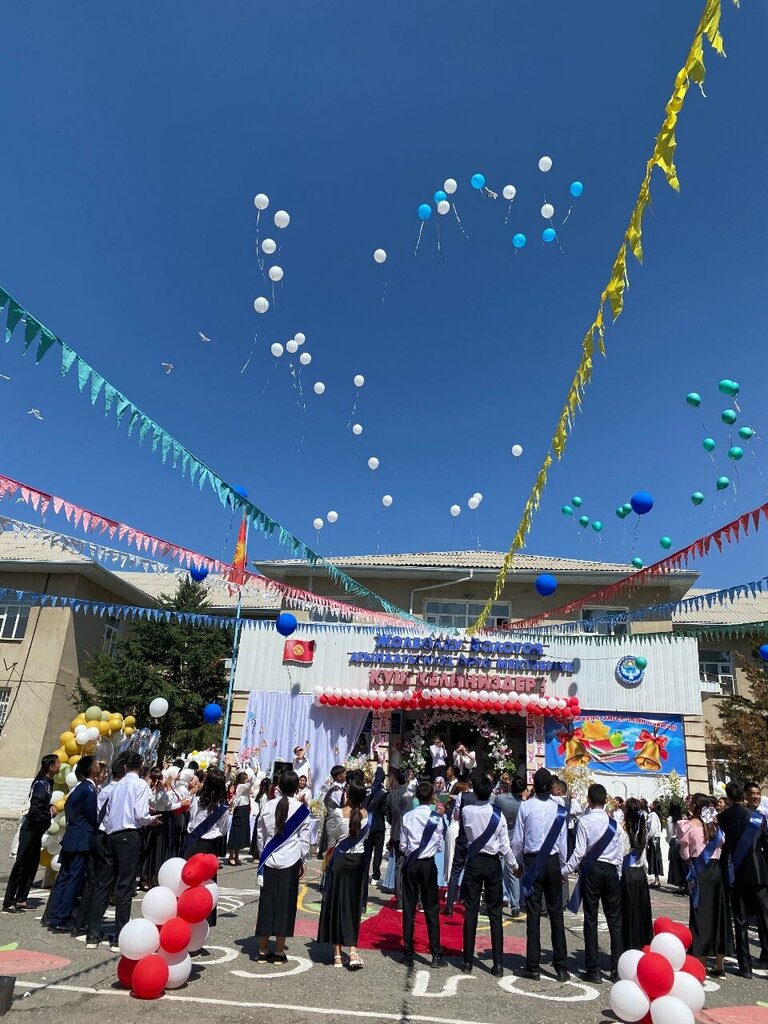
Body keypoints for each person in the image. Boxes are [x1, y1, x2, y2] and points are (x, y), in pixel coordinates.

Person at [85, 752, 161, 949]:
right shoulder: (140, 785)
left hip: (112, 835)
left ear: (125, 767)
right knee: (125, 887)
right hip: (129, 835)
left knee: (104, 883)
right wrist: (151, 819)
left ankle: (92, 934)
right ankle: (119, 937)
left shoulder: (117, 786)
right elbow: (140, 813)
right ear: (141, 766)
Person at [512, 767, 569, 982]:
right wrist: (563, 868)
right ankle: (561, 967)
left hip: (532, 860)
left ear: (533, 785)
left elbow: (518, 840)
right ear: (552, 787)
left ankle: (533, 965)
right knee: (556, 913)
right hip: (552, 861)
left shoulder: (526, 807)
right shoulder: (559, 808)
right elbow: (562, 841)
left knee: (533, 914)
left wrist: (517, 863)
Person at [563, 783, 623, 983]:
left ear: (588, 800)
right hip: (611, 870)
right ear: (606, 800)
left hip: (593, 870)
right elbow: (619, 853)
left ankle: (594, 969)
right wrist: (618, 873)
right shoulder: (614, 823)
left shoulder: (585, 821)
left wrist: (564, 870)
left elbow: (579, 852)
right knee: (615, 921)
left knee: (591, 919)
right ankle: (617, 969)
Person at [460, 771, 517, 977]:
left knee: (471, 911)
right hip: (492, 863)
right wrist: (513, 864)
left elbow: (464, 834)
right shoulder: (497, 815)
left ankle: (467, 962)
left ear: (474, 791)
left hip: (474, 862)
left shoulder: (466, 811)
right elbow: (504, 846)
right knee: (495, 914)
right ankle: (498, 964)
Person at [255, 770, 311, 963]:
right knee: (285, 906)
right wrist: (303, 860)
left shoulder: (268, 805)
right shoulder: (302, 809)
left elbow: (261, 835)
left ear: (278, 786)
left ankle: (262, 949)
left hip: (270, 859)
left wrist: (264, 854)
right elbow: (304, 840)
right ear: (297, 787)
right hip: (291, 860)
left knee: (267, 903)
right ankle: (279, 951)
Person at [677, 793, 732, 977]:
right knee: (719, 914)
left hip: (699, 872)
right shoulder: (715, 828)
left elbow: (685, 854)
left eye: (692, 803)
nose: (689, 805)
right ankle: (719, 964)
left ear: (697, 807)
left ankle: (700, 962)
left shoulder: (688, 826)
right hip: (716, 873)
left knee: (700, 914)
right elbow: (722, 846)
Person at [718, 780, 768, 978]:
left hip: (735, 873)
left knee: (740, 921)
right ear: (744, 795)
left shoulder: (722, 818)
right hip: (758, 873)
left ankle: (745, 967)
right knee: (765, 919)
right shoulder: (758, 818)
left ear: (729, 797)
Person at [73, 756, 126, 937]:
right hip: (105, 836)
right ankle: (89, 923)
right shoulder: (117, 790)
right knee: (102, 883)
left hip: (99, 835)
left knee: (93, 881)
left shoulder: (104, 790)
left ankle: (82, 922)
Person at [318, 778, 369, 969]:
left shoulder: (339, 813)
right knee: (353, 904)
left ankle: (337, 955)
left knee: (336, 903)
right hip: (357, 862)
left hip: (340, 861)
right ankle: (354, 951)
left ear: (348, 795)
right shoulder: (366, 815)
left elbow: (332, 838)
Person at [47, 756, 100, 932]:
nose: (98, 765)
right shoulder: (89, 789)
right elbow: (93, 815)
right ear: (91, 769)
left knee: (64, 877)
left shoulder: (78, 788)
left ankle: (55, 915)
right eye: (96, 764)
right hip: (82, 839)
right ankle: (62, 917)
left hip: (71, 837)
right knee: (73, 880)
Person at [3, 754, 59, 914]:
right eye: (57, 763)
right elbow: (35, 809)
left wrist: (50, 806)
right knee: (21, 865)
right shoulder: (41, 784)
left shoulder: (48, 783)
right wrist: (48, 816)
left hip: (37, 830)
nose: (59, 766)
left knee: (32, 864)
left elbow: (42, 804)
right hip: (30, 829)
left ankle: (22, 897)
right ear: (51, 767)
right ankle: (8, 901)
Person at [399, 779, 447, 968]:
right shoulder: (436, 817)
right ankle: (436, 954)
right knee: (431, 909)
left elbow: (403, 845)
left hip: (411, 863)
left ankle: (408, 953)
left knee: (409, 909)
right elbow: (439, 843)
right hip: (428, 864)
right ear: (432, 797)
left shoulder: (407, 817)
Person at [620, 797, 652, 951]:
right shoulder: (642, 830)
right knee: (641, 912)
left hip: (627, 873)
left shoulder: (622, 829)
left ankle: (628, 946)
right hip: (640, 874)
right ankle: (642, 945)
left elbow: (619, 854)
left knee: (628, 912)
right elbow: (644, 859)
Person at [494, 777, 526, 918]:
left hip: (501, 837)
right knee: (514, 871)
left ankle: (502, 897)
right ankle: (515, 905)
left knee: (499, 870)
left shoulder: (500, 799)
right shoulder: (522, 804)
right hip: (515, 838)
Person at [384, 769, 411, 907]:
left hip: (396, 832)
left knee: (399, 865)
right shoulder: (412, 795)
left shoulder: (390, 796)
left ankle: (400, 899)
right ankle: (414, 899)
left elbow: (388, 817)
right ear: (407, 779)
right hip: (411, 834)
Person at [317, 765, 346, 858]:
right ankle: (327, 868)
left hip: (335, 820)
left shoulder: (337, 787)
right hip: (334, 821)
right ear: (339, 776)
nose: (346, 775)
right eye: (344, 773)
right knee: (332, 846)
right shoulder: (335, 789)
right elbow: (342, 804)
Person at [366, 768, 388, 886]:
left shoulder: (369, 790)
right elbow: (385, 810)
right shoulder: (384, 792)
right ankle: (375, 875)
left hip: (368, 825)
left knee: (368, 851)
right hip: (379, 825)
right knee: (378, 851)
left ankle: (365, 872)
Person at [228, 771, 252, 866]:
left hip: (245, 810)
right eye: (245, 778)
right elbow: (251, 782)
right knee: (236, 833)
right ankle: (231, 856)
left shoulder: (243, 788)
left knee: (241, 833)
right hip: (240, 810)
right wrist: (254, 773)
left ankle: (237, 856)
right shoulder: (241, 786)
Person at [665, 801, 687, 893]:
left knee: (675, 863)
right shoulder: (682, 819)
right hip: (680, 841)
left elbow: (669, 832)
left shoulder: (670, 819)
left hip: (674, 841)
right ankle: (684, 885)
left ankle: (679, 886)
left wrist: (668, 841)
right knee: (681, 863)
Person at [250, 776, 272, 861]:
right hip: (263, 817)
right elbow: (263, 808)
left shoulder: (264, 795)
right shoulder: (264, 797)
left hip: (262, 816)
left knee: (260, 836)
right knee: (260, 836)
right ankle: (257, 855)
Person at [646, 801, 663, 887]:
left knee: (654, 858)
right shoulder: (653, 815)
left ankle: (657, 880)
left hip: (653, 839)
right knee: (654, 858)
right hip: (655, 838)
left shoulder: (653, 815)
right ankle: (656, 879)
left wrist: (647, 837)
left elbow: (652, 829)